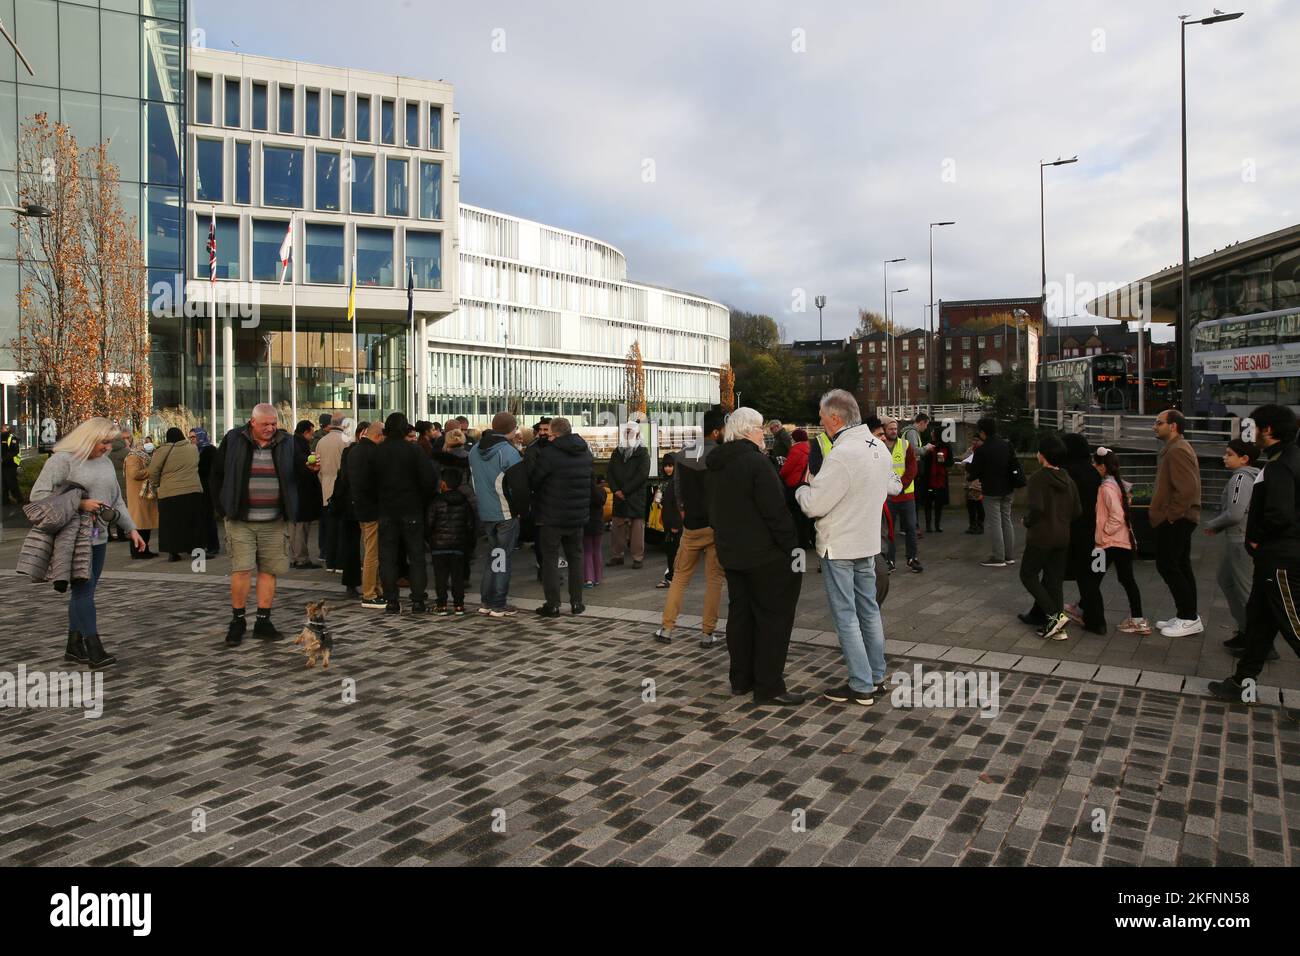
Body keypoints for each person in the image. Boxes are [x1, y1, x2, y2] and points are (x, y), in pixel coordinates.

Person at [796, 389, 900, 706]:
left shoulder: (842, 454)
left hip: (839, 544)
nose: (820, 422)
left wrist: (802, 488)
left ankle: (860, 683)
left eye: (823, 418)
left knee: (846, 615)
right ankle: (876, 675)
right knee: (869, 610)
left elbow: (814, 505)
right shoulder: (879, 448)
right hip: (868, 541)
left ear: (836, 418)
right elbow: (892, 487)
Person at [707, 407, 805, 707]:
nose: (763, 433)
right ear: (748, 430)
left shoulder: (716, 464)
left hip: (732, 553)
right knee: (773, 620)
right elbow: (776, 513)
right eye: (760, 428)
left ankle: (741, 679)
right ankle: (769, 685)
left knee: (741, 616)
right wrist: (793, 548)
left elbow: (711, 510)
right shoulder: (756, 464)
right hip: (765, 556)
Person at [29, 418, 146, 667]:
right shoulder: (62, 460)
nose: (107, 447)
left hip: (99, 536)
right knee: (83, 591)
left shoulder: (104, 463)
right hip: (73, 538)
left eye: (110, 442)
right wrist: (80, 504)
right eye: (103, 442)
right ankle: (94, 647)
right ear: (88, 438)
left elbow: (117, 501)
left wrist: (132, 529)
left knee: (86, 591)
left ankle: (73, 645)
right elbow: (38, 496)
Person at [1209, 404, 1300, 701]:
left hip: (1281, 559)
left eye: (1255, 427)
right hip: (1273, 558)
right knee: (1260, 621)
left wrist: (1257, 538)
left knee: (1294, 625)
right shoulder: (1285, 459)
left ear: (1268, 430)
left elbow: (1280, 513)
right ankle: (1241, 682)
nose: (1253, 433)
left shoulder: (1281, 465)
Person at [210, 403, 302, 644]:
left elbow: (299, 471)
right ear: (252, 422)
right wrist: (222, 506)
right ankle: (238, 621)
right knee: (241, 569)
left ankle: (263, 620)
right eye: (265, 424)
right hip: (241, 520)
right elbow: (216, 474)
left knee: (269, 570)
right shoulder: (234, 440)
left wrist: (310, 468)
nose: (271, 428)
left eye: (274, 423)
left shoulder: (287, 442)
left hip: (274, 519)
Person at [655, 406, 727, 646]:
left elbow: (677, 492)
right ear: (716, 432)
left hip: (692, 526)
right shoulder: (722, 455)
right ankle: (707, 633)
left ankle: (666, 628)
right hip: (716, 525)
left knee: (679, 578)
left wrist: (685, 512)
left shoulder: (683, 454)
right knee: (714, 580)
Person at [372, 412, 438, 614]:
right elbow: (429, 480)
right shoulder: (414, 451)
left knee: (388, 557)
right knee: (416, 556)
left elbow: (368, 482)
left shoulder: (378, 452)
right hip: (412, 509)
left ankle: (391, 600)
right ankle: (418, 600)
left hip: (386, 510)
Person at [527, 417, 593, 616]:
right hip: (577, 515)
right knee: (575, 558)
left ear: (555, 434)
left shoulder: (549, 454)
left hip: (551, 516)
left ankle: (553, 604)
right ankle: (577, 602)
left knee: (550, 559)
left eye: (551, 435)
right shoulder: (585, 452)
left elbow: (535, 480)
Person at [1205, 439, 1266, 655]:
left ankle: (1259, 642)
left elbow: (1235, 513)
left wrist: (1212, 524)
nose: (1225, 457)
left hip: (1240, 542)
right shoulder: (1247, 476)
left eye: (1229, 454)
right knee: (1228, 582)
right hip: (1237, 539)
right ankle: (1246, 631)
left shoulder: (1240, 477)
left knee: (1244, 591)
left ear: (1244, 459)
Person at [1019, 434, 1080, 641]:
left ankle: (1054, 617)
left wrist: (1026, 521)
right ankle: (1057, 629)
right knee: (1054, 581)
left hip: (1041, 536)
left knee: (1028, 574)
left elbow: (1037, 508)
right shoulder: (1068, 478)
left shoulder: (1038, 478)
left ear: (1042, 456)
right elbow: (1077, 511)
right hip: (1063, 536)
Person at [469, 411, 530, 617]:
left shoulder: (475, 450)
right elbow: (520, 488)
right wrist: (522, 511)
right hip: (505, 513)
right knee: (502, 558)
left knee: (494, 556)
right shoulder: (508, 453)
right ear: (512, 429)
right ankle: (498, 603)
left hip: (486, 511)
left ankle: (487, 601)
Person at [1150, 408, 1203, 637]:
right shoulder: (1174, 448)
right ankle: (1187, 615)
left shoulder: (1177, 450)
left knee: (1168, 564)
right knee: (1180, 565)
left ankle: (1188, 618)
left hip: (1178, 518)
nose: (1154, 426)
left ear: (1173, 426)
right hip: (1180, 517)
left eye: (1159, 422)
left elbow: (1187, 489)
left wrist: (1170, 515)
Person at [1092, 446, 1149, 635]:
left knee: (1092, 578)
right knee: (1126, 579)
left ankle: (1086, 612)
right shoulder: (1117, 485)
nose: (1092, 466)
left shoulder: (1106, 488)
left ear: (1101, 467)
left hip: (1107, 543)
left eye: (1094, 463)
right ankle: (1138, 620)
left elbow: (1116, 516)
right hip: (1121, 542)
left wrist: (1103, 534)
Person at [1060, 433, 1105, 635]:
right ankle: (1097, 621)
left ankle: (1046, 616)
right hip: (1093, 531)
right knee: (1088, 579)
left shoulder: (1066, 472)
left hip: (1071, 530)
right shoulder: (1093, 472)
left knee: (1052, 574)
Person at [150, 426, 207, 562]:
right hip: (192, 491)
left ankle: (173, 552)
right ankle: (196, 551)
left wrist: (158, 483)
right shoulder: (192, 449)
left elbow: (152, 471)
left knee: (171, 524)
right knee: (193, 523)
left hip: (169, 493)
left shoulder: (161, 451)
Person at [428, 462, 477, 615]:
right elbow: (470, 525)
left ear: (443, 483)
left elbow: (429, 523)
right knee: (458, 576)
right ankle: (459, 605)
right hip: (458, 546)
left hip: (439, 547)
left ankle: (442, 605)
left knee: (440, 577)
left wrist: (431, 540)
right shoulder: (464, 502)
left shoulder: (437, 501)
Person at [968, 417, 1018, 565]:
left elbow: (974, 473)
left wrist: (967, 468)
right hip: (1008, 488)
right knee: (1006, 520)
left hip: (991, 490)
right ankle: (1009, 555)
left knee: (995, 523)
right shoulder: (1007, 445)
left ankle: (998, 556)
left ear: (982, 432)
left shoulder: (982, 450)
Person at [348, 420, 386, 609]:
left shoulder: (354, 451)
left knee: (371, 550)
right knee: (372, 553)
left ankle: (376, 589)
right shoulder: (374, 453)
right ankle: (369, 593)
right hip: (373, 509)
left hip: (360, 507)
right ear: (378, 435)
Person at [607, 422, 650, 568]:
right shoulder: (616, 452)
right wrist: (616, 490)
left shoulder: (642, 452)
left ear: (637, 434)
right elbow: (610, 472)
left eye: (631, 432)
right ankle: (617, 555)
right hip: (619, 496)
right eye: (626, 432)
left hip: (635, 496)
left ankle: (637, 558)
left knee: (637, 530)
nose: (628, 435)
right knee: (617, 528)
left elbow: (642, 475)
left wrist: (625, 491)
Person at [882, 417, 921, 573]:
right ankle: (889, 560)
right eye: (890, 428)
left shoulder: (905, 445)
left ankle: (912, 558)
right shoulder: (879, 446)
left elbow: (912, 468)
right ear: (884, 429)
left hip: (906, 495)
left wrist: (901, 485)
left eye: (895, 428)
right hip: (887, 497)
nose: (894, 431)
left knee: (911, 528)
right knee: (889, 531)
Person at [289, 420, 324, 569]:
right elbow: (303, 468)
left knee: (293, 527)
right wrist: (312, 469)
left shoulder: (290, 444)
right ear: (305, 432)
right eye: (311, 432)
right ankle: (301, 558)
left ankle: (294, 556)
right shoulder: (300, 447)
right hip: (302, 494)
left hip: (293, 493)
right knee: (301, 528)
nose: (312, 435)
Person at [315, 414, 347, 571]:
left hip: (325, 488)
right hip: (341, 490)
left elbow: (318, 467)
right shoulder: (345, 441)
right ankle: (341, 562)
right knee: (342, 528)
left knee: (329, 527)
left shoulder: (321, 441)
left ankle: (330, 561)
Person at [123, 435, 159, 559]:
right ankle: (138, 552)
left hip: (144, 495)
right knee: (139, 526)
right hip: (138, 495)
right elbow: (134, 474)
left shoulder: (142, 456)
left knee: (145, 526)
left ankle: (145, 549)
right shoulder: (133, 457)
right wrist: (150, 470)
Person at [780, 428, 814, 552]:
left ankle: (800, 541)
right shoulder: (809, 448)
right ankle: (809, 539)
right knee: (805, 516)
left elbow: (786, 470)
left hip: (794, 485)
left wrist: (781, 473)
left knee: (796, 516)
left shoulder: (796, 449)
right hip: (806, 484)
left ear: (795, 438)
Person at [189, 427, 220, 556]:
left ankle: (213, 545)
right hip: (195, 488)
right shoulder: (191, 451)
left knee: (208, 517)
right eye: (190, 437)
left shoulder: (210, 450)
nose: (191, 440)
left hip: (207, 487)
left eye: (193, 437)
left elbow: (212, 469)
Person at [656, 453, 683, 589]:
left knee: (674, 551)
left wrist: (676, 525)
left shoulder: (676, 483)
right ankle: (672, 576)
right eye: (666, 466)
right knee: (671, 551)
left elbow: (678, 506)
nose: (668, 469)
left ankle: (673, 577)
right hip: (667, 522)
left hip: (674, 523)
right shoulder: (664, 482)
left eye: (671, 466)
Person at [904, 413, 930, 536]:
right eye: (926, 424)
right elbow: (915, 450)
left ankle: (908, 527)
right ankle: (912, 527)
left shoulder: (906, 431)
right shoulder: (912, 432)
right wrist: (926, 448)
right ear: (922, 422)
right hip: (910, 469)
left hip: (905, 468)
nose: (926, 428)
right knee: (912, 500)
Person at [925, 429, 951, 534]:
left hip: (940, 479)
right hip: (929, 478)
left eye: (933, 434)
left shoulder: (946, 446)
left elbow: (950, 462)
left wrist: (943, 461)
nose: (932, 436)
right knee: (928, 503)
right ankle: (928, 526)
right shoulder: (929, 446)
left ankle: (937, 524)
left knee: (938, 504)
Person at [584, 475, 607, 588]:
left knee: (587, 551)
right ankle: (598, 578)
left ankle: (589, 579)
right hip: (598, 524)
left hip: (586, 525)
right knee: (597, 550)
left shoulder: (583, 492)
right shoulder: (602, 492)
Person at [962, 435, 985, 534]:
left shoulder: (984, 451)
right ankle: (972, 525)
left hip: (979, 484)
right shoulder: (970, 450)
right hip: (969, 483)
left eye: (977, 440)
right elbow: (963, 461)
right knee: (970, 505)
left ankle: (980, 525)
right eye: (973, 439)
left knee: (979, 506)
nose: (974, 442)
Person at [1, 422, 21, 506]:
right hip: (3, 464)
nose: (1, 430)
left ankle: (19, 499)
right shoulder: (2, 437)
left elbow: (15, 451)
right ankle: (5, 501)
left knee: (12, 483)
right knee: (3, 484)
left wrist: (4, 458)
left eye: (3, 429)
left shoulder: (13, 438)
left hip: (11, 464)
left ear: (7, 429)